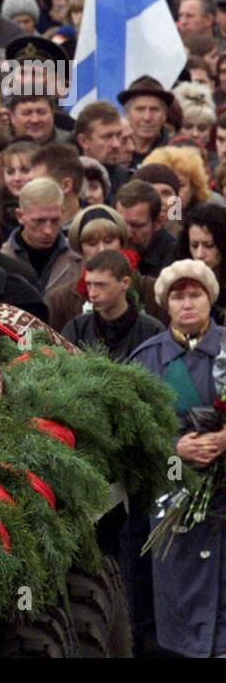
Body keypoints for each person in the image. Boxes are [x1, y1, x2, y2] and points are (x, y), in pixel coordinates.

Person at [129, 260, 226, 658]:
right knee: (182, 598)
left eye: (195, 294)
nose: (187, 304)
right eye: (178, 296)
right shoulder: (146, 360)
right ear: (165, 305)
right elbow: (131, 434)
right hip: (175, 502)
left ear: (210, 299)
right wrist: (175, 448)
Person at [60, 249, 163, 360]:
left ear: (125, 283)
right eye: (89, 284)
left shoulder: (152, 331)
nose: (92, 293)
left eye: (100, 285)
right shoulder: (77, 328)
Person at [2, 176, 80, 295]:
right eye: (39, 221)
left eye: (55, 221)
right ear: (20, 216)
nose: (48, 230)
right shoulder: (0, 259)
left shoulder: (79, 256)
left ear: (63, 213)